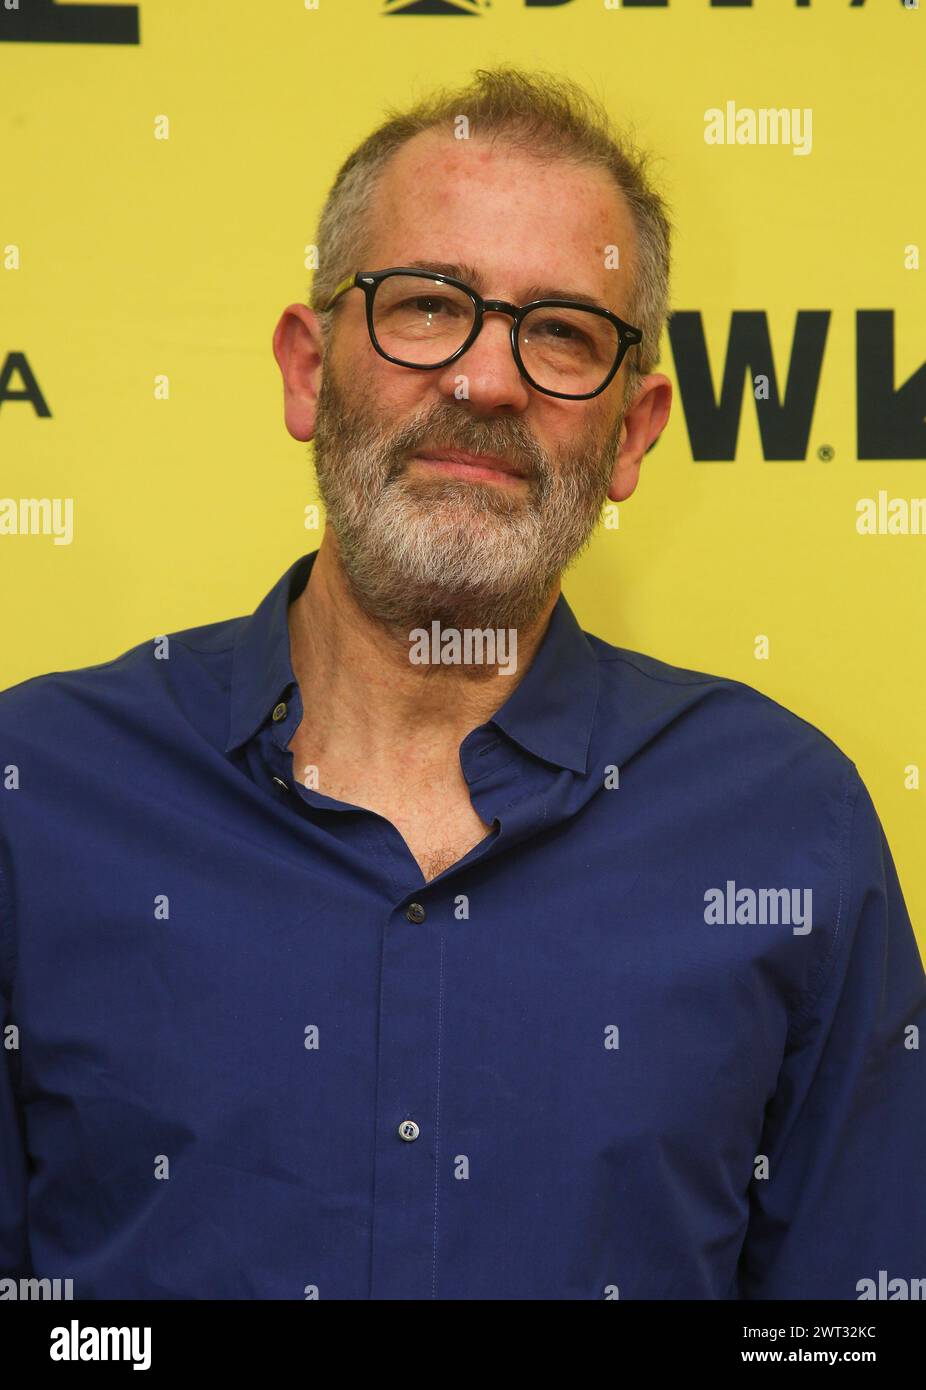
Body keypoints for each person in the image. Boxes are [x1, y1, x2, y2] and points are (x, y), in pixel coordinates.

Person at [0, 67, 923, 1302]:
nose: (485, 382)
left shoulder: (785, 826)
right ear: (304, 369)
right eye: (427, 305)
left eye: (559, 333)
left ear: (634, 432)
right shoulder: (40, 796)